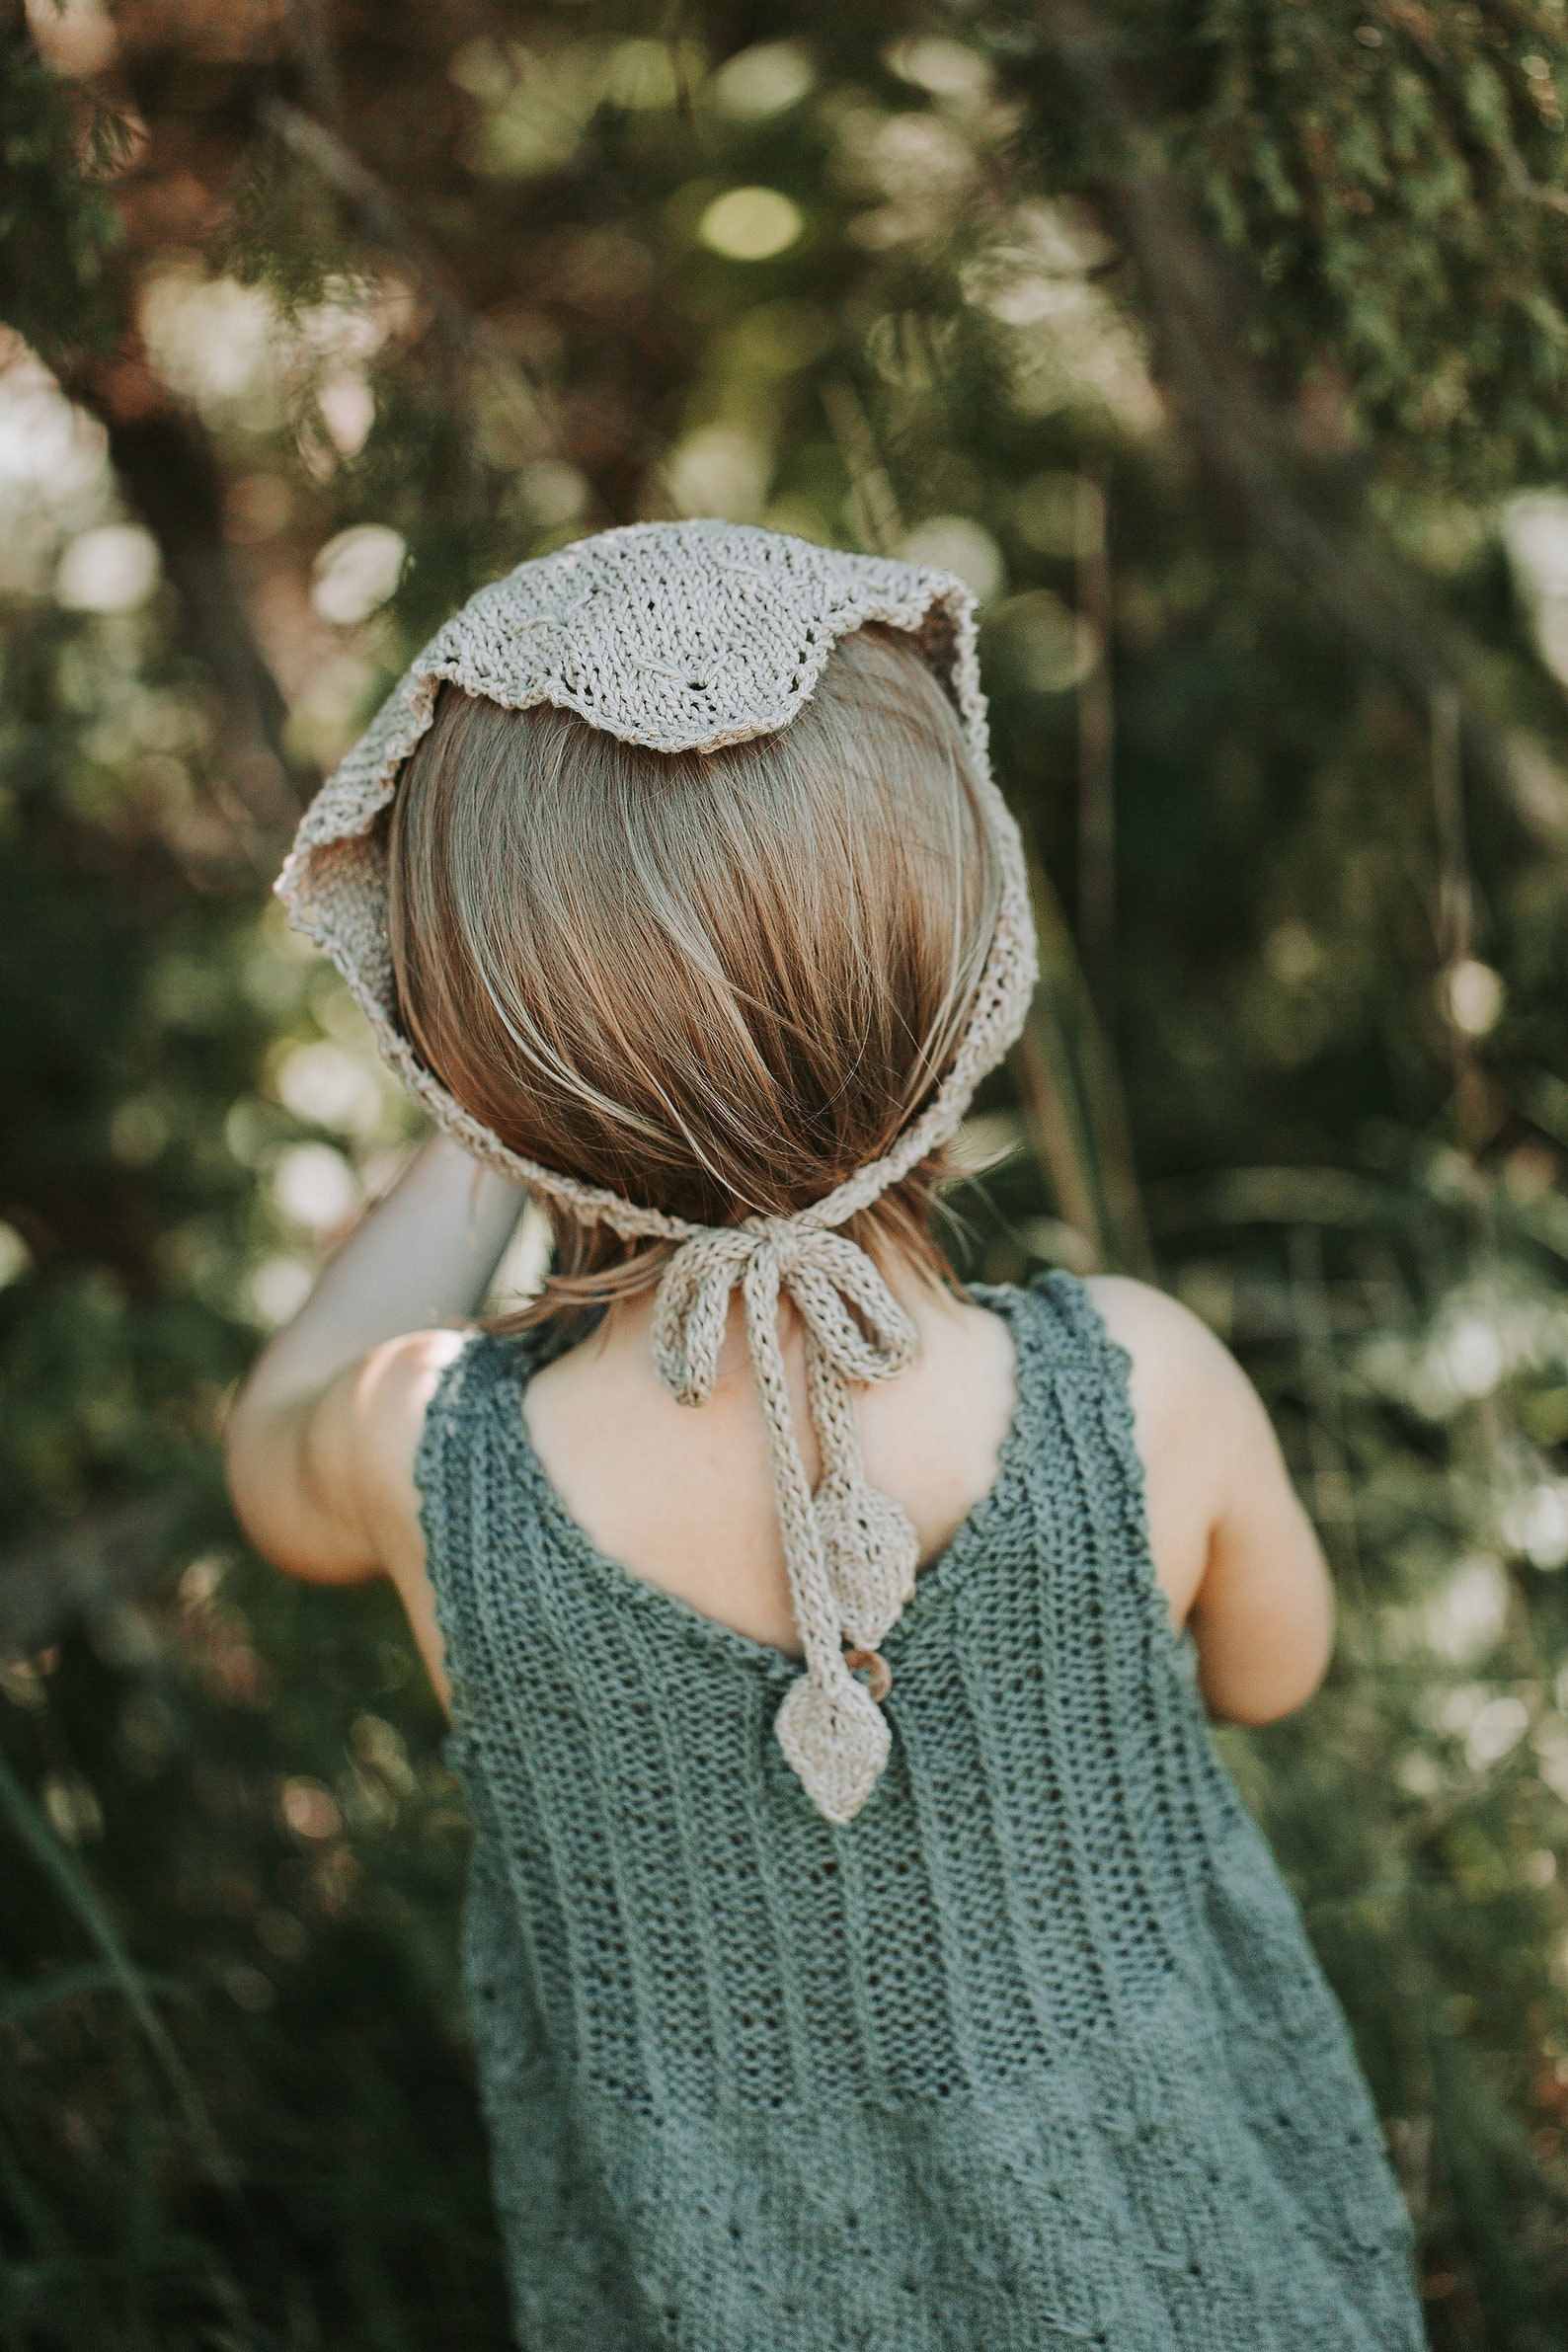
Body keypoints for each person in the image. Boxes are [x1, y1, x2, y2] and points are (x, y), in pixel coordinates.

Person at [227, 522, 1426, 2349]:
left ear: (460, 1048)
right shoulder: (1143, 1385)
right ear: (970, 975)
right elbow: (1276, 1666)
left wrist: (491, 1126)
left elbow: (270, 1450)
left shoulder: (428, 1466)